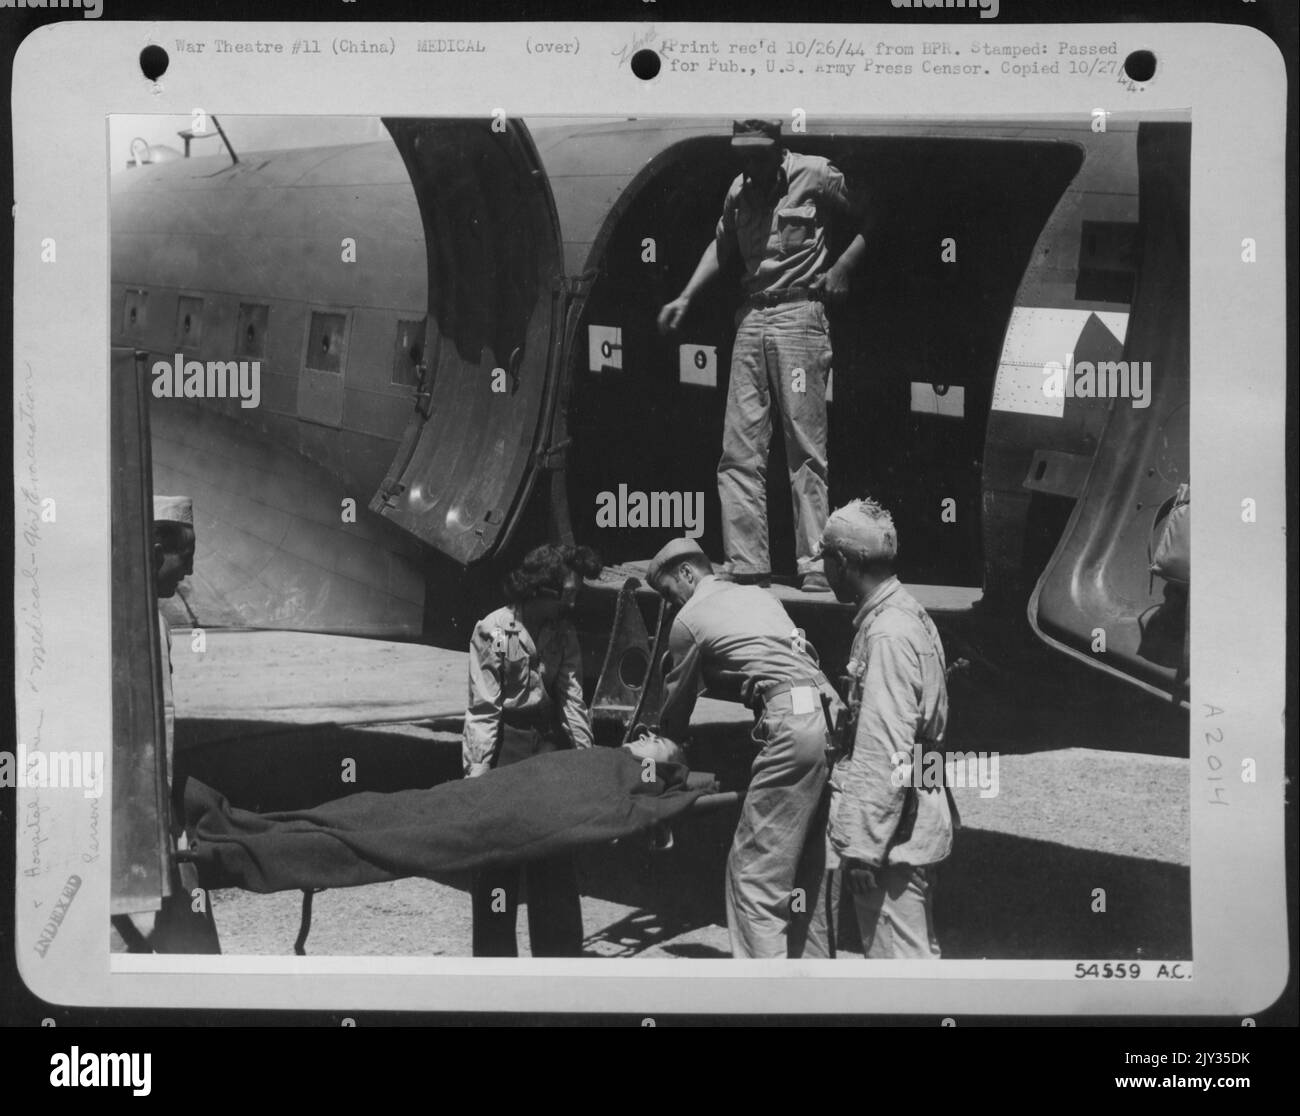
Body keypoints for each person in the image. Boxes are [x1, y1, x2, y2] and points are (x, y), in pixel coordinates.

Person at [657, 119, 868, 593]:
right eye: (743, 156)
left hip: (799, 315)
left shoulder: (815, 175)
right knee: (739, 446)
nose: (750, 165)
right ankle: (747, 562)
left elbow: (872, 216)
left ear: (778, 148)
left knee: (804, 447)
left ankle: (813, 563)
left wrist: (843, 266)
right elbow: (722, 242)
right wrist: (688, 295)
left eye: (758, 155)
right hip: (753, 317)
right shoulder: (739, 190)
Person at [645, 537, 843, 958]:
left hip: (789, 724)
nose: (670, 603)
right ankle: (815, 990)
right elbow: (799, 653)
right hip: (825, 717)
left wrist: (662, 749)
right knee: (809, 866)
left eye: (668, 592)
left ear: (686, 573)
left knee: (753, 875)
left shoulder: (690, 619)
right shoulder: (756, 596)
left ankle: (765, 1001)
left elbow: (675, 709)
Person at [817, 498, 955, 958]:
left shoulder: (887, 634)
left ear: (841, 563)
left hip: (895, 832)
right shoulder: (906, 612)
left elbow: (884, 743)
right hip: (913, 812)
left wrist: (863, 847)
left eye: (825, 559)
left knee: (899, 971)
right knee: (917, 956)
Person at [463, 543, 603, 957]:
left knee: (554, 859)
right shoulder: (492, 630)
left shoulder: (563, 630)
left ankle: (560, 967)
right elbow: (483, 710)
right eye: (568, 591)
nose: (574, 600)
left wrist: (586, 764)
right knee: (497, 863)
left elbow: (573, 701)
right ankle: (494, 970)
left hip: (547, 745)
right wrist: (477, 777)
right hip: (507, 744)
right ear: (542, 591)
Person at [114, 495, 221, 953]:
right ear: (156, 551)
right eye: (186, 558)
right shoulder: (136, 623)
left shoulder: (142, 617)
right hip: (139, 826)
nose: (188, 574)